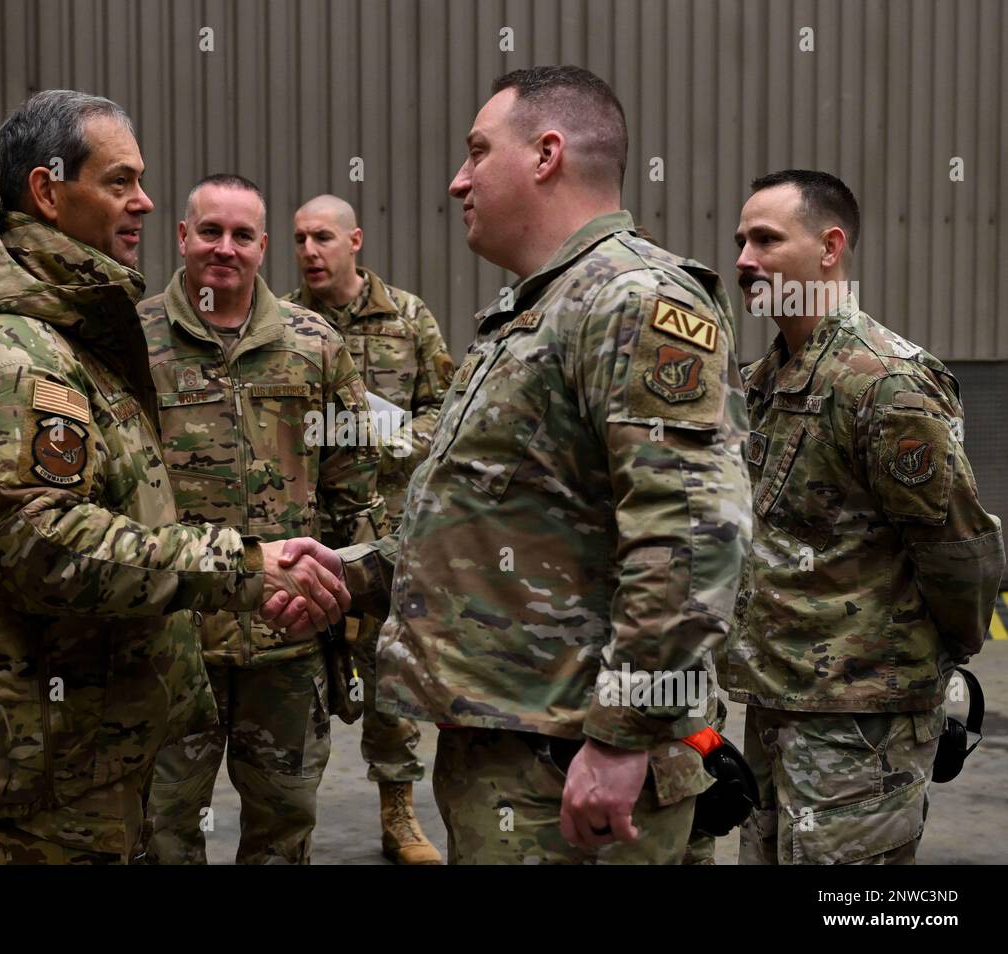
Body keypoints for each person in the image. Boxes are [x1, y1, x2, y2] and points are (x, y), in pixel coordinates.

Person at [269, 65, 751, 864]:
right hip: (513, 756)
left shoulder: (634, 300)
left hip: (571, 769)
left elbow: (694, 533)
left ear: (546, 154)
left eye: (477, 151)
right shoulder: (532, 313)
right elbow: (491, 518)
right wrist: (351, 573)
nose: (458, 180)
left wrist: (623, 737)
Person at [0, 91, 348, 865]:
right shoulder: (15, 354)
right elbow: (47, 546)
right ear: (48, 191)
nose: (142, 200)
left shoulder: (78, 337)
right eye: (120, 181)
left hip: (98, 749)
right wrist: (245, 564)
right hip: (52, 774)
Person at [728, 169, 1005, 864]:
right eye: (740, 242)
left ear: (829, 247)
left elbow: (959, 552)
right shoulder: (763, 382)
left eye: (766, 239)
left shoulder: (884, 382)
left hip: (860, 723)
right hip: (776, 703)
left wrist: (928, 665)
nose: (745, 260)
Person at [140, 174, 387, 865]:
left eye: (242, 235)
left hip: (288, 641)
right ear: (182, 236)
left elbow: (354, 492)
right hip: (171, 645)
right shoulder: (134, 342)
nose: (225, 248)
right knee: (159, 833)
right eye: (210, 231)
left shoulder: (313, 344)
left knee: (285, 829)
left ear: (262, 246)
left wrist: (346, 615)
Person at [285, 193, 453, 864]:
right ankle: (287, 815)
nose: (309, 251)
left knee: (390, 675)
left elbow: (445, 407)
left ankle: (398, 814)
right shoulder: (283, 321)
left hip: (384, 532)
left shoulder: (408, 318)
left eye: (322, 237)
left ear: (354, 241)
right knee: (297, 675)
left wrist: (395, 441)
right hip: (307, 529)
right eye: (299, 239)